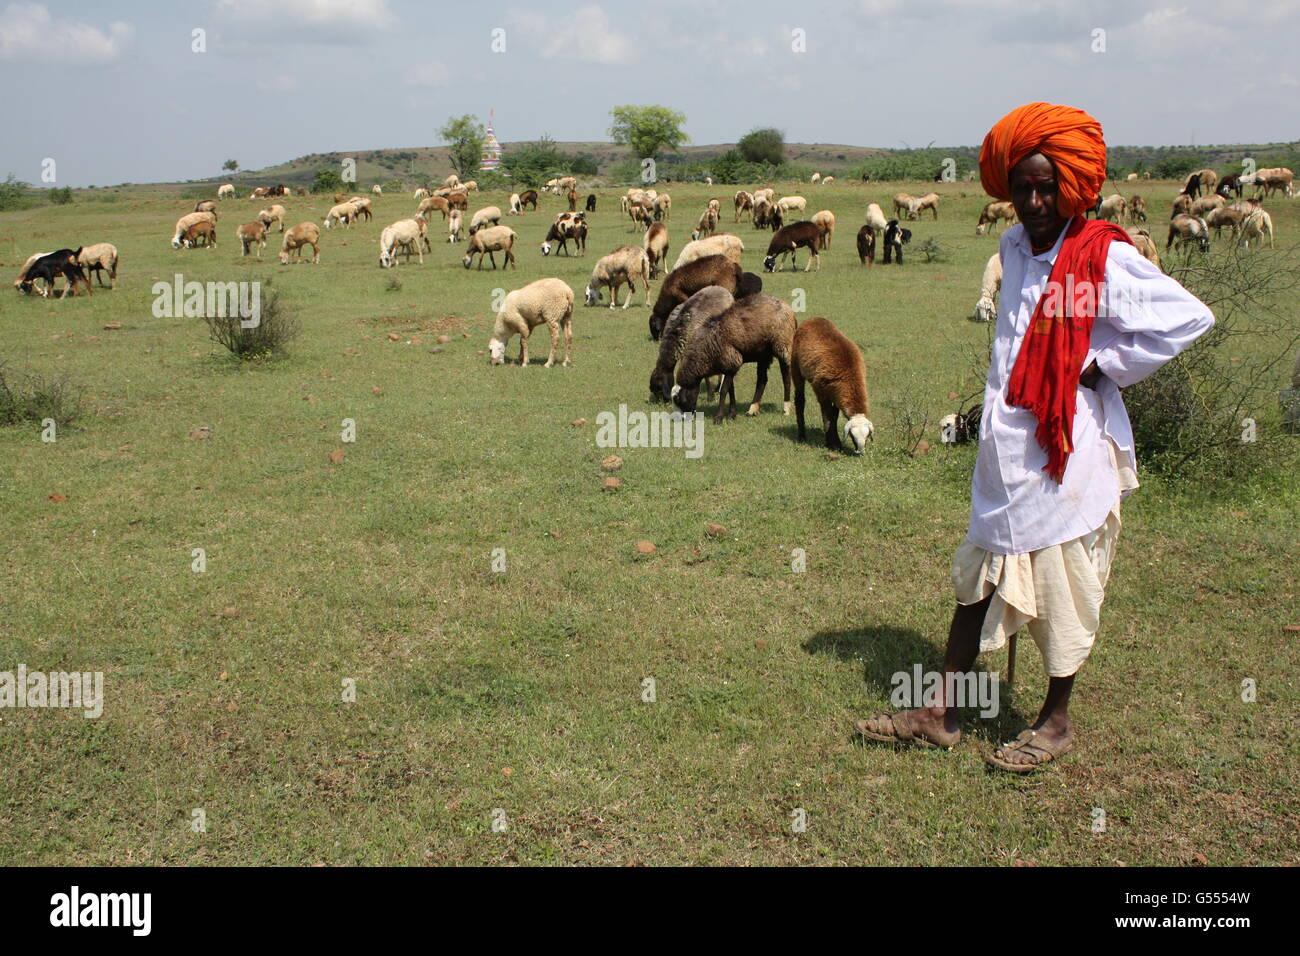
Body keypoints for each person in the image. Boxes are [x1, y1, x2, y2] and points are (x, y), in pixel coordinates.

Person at [856, 102, 1215, 772]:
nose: (1035, 199)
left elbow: (1189, 316)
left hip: (1067, 450)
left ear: (1071, 186)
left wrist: (1099, 364)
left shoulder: (1102, 255)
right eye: (1023, 186)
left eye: (1047, 186)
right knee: (976, 579)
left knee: (1062, 586)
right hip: (1007, 450)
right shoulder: (1011, 248)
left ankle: (1055, 721)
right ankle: (942, 711)